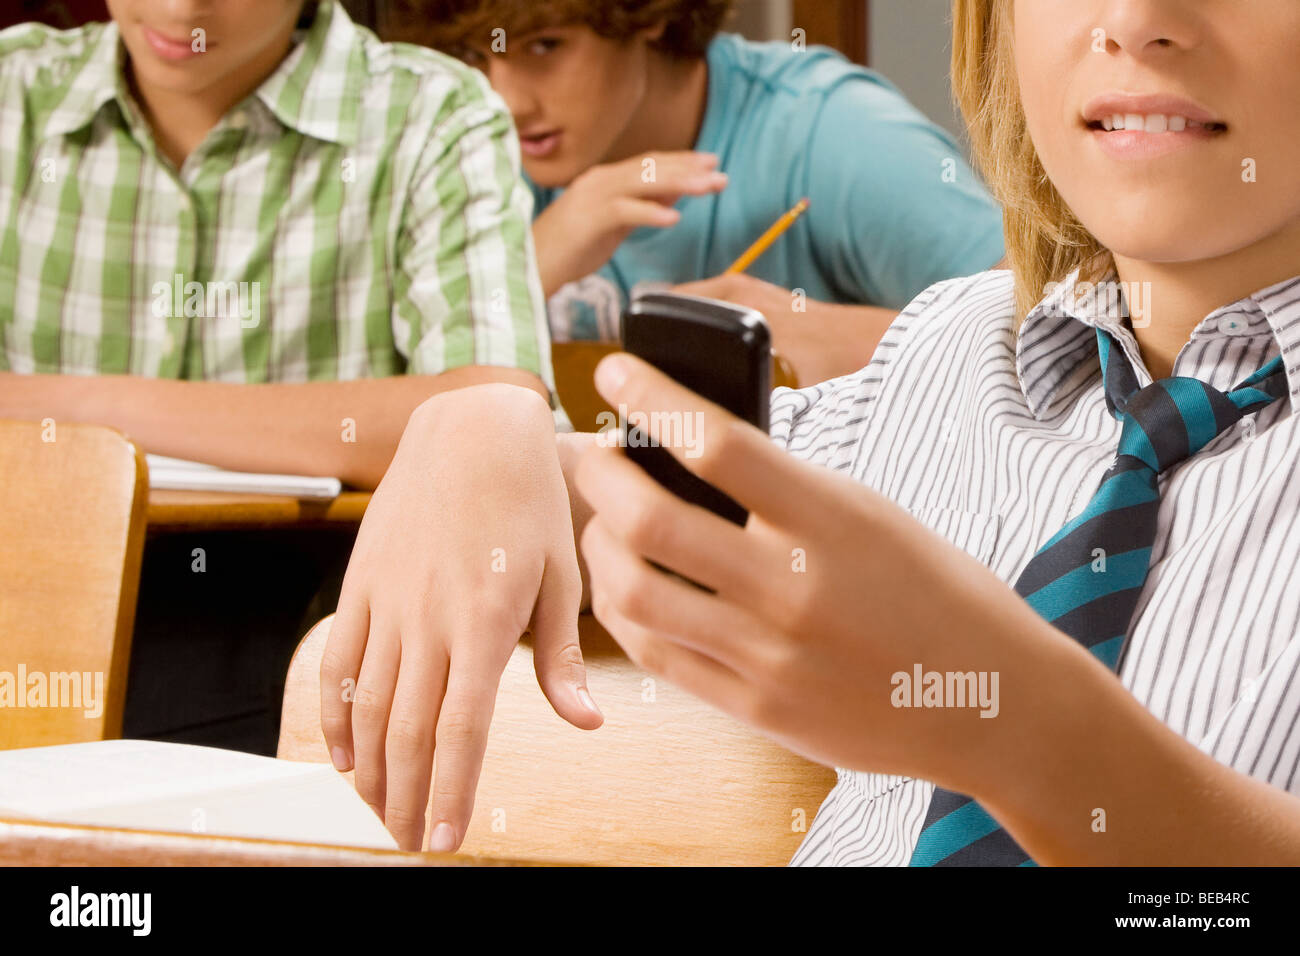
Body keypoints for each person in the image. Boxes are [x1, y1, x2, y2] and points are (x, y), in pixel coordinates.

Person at [325, 0, 1300, 863]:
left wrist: (1009, 720)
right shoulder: (945, 353)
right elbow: (647, 480)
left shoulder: (833, 134)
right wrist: (486, 419)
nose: (1132, 18)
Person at [0, 0, 563, 490]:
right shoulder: (12, 88)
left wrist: (86, 407)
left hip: (329, 600)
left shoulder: (431, 114)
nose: (179, 9)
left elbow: (495, 420)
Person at [387, 0, 1006, 385]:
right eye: (477, 52)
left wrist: (867, 346)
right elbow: (373, 387)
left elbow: (1062, 343)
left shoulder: (839, 136)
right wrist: (529, 267)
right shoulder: (473, 149)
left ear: (646, 14)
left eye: (545, 46)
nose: (507, 99)